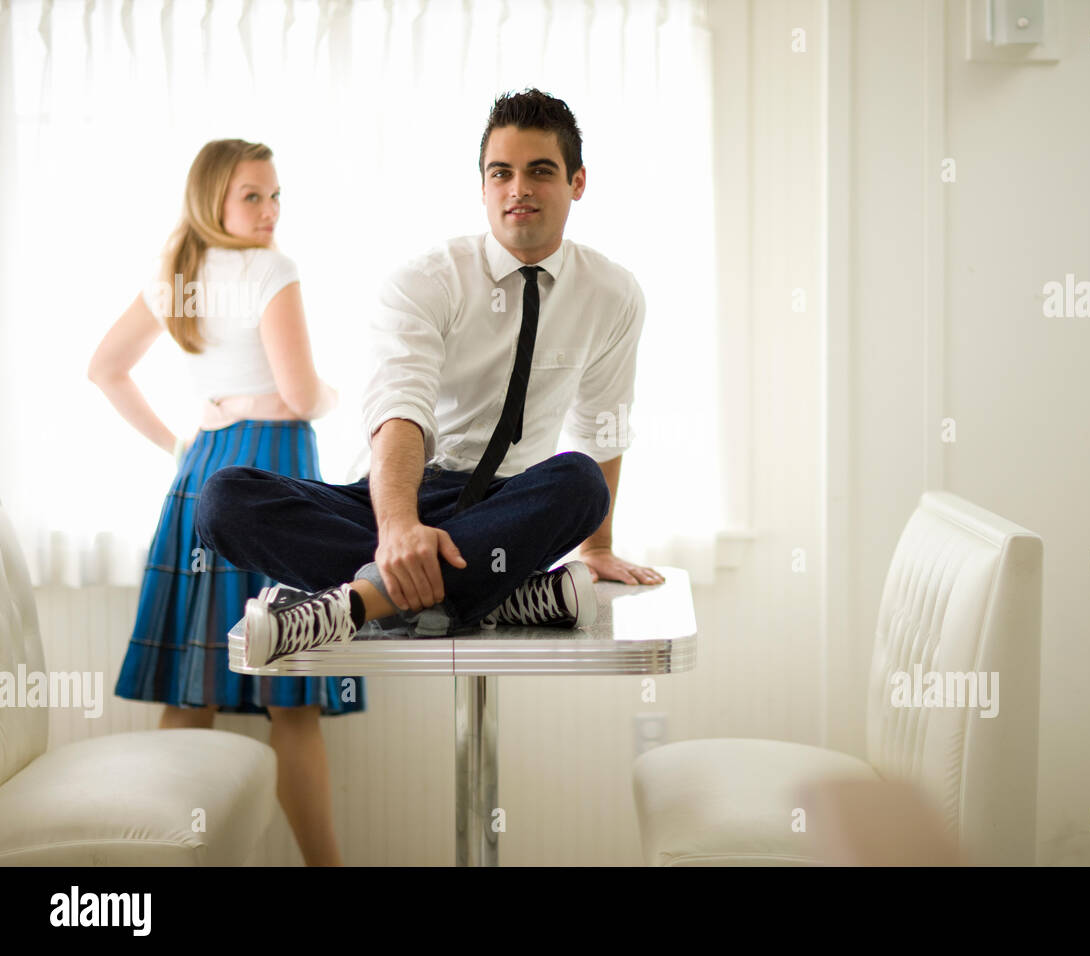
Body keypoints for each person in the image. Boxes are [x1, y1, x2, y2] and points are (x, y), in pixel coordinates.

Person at [194, 88, 664, 669]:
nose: (518, 188)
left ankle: (358, 603)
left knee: (581, 481)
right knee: (222, 500)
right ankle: (499, 598)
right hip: (400, 494)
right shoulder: (426, 280)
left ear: (578, 182)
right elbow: (400, 409)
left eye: (540, 171)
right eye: (502, 173)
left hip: (505, 508)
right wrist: (398, 530)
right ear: (484, 186)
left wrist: (599, 548)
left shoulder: (612, 294)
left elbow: (602, 425)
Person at [87, 138, 357, 867]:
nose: (269, 211)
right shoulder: (273, 270)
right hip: (274, 472)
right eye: (252, 195)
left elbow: (105, 370)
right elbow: (302, 395)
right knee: (292, 700)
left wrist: (181, 443)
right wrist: (334, 394)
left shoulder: (180, 271)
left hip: (204, 476)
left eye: (276, 196)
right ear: (215, 198)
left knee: (192, 691)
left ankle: (153, 869)